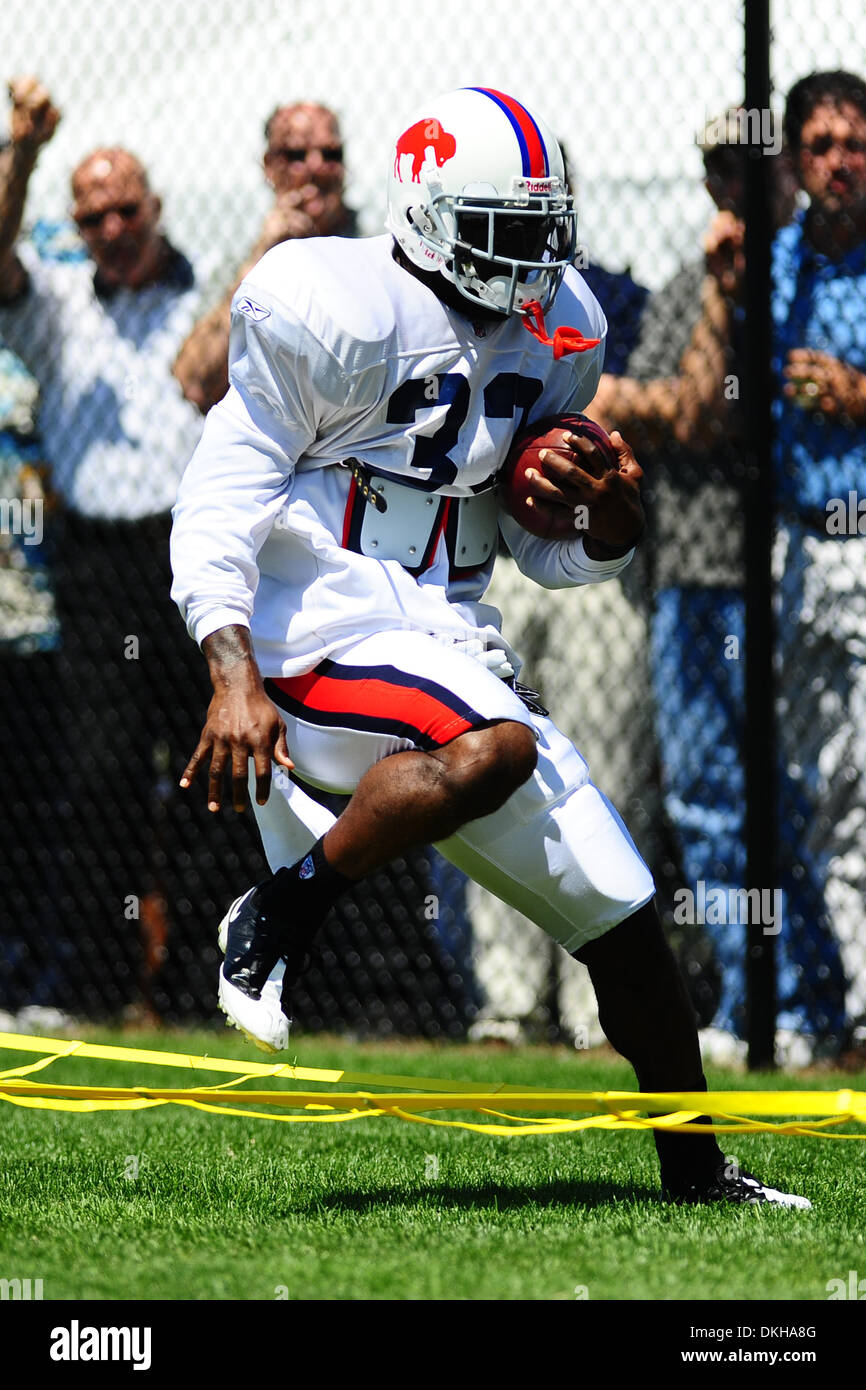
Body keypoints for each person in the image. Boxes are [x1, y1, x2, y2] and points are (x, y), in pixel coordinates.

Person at [171, 86, 809, 1207]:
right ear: (424, 210)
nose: (530, 260)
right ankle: (281, 911)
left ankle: (696, 1172)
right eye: (502, 231)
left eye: (540, 229)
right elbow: (221, 495)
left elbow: (528, 543)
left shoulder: (559, 327)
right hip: (315, 629)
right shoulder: (327, 299)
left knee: (616, 902)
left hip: (447, 639)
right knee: (497, 743)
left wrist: (608, 524)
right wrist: (229, 671)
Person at [584, 108, 851, 1065]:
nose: (732, 188)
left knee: (771, 792)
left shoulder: (781, 282)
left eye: (750, 169)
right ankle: (760, 997)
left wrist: (646, 395)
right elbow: (622, 401)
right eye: (717, 169)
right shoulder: (696, 280)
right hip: (687, 567)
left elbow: (690, 412)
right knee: (709, 794)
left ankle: (795, 1000)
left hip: (750, 570)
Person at [0, 75, 234, 1016]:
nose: (109, 228)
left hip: (192, 558)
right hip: (95, 562)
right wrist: (23, 149)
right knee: (97, 778)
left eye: (124, 208)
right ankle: (95, 992)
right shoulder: (55, 301)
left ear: (157, 208)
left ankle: (206, 992)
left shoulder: (206, 283)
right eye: (90, 215)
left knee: (210, 777)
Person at [174, 102, 356, 415]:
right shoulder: (241, 262)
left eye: (331, 154)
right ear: (269, 167)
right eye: (297, 156)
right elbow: (194, 382)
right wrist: (263, 256)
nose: (316, 167)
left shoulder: (375, 246)